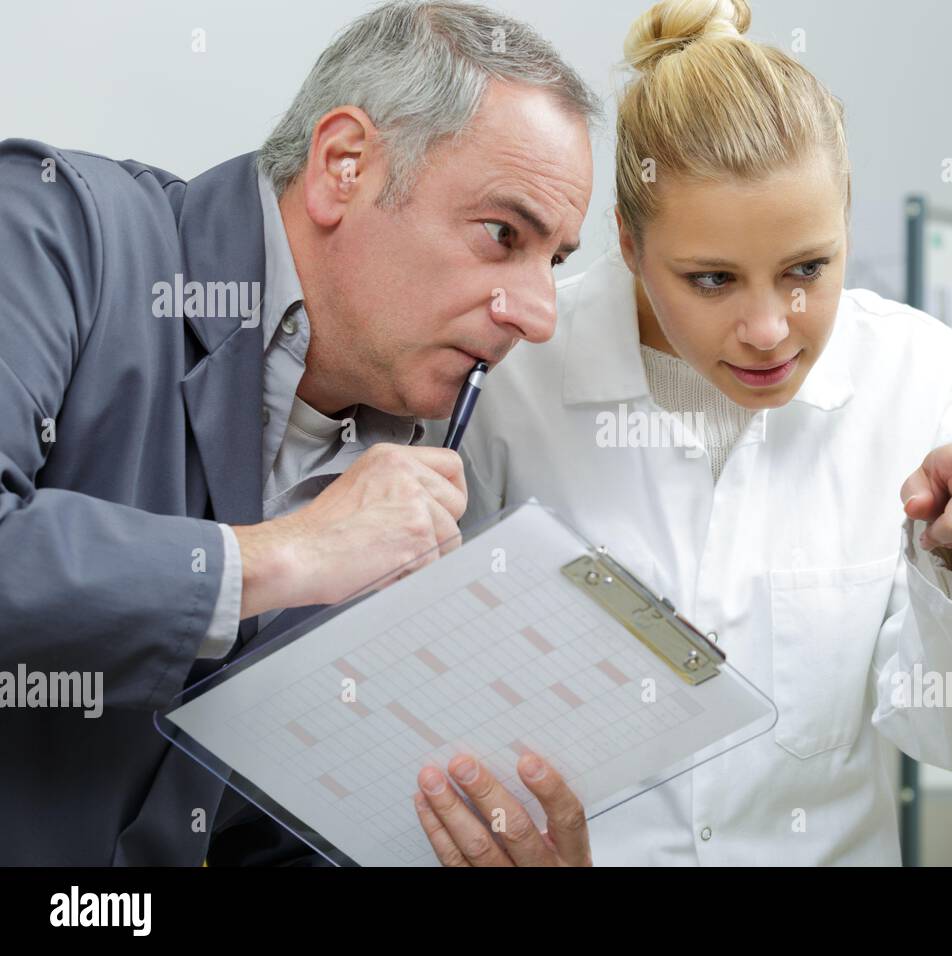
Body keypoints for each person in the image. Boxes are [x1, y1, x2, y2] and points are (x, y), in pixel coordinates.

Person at [412, 0, 952, 866]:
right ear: (631, 248)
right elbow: (421, 690)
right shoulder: (512, 371)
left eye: (806, 270)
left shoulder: (922, 376)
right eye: (711, 279)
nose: (769, 328)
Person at [0, 1, 599, 866]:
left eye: (555, 262)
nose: (539, 314)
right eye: (503, 234)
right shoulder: (51, 229)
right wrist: (277, 558)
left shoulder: (415, 472)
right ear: (343, 166)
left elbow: (266, 840)